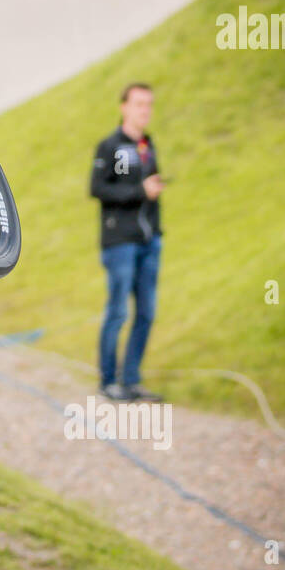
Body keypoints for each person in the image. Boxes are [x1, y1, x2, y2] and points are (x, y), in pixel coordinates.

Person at [89, 83, 164, 402]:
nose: (144, 110)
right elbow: (97, 189)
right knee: (117, 311)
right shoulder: (109, 146)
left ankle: (131, 380)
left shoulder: (149, 144)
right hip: (119, 241)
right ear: (124, 107)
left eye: (148, 104)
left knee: (146, 312)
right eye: (138, 104)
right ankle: (108, 382)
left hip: (150, 240)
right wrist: (139, 192)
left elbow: (151, 185)